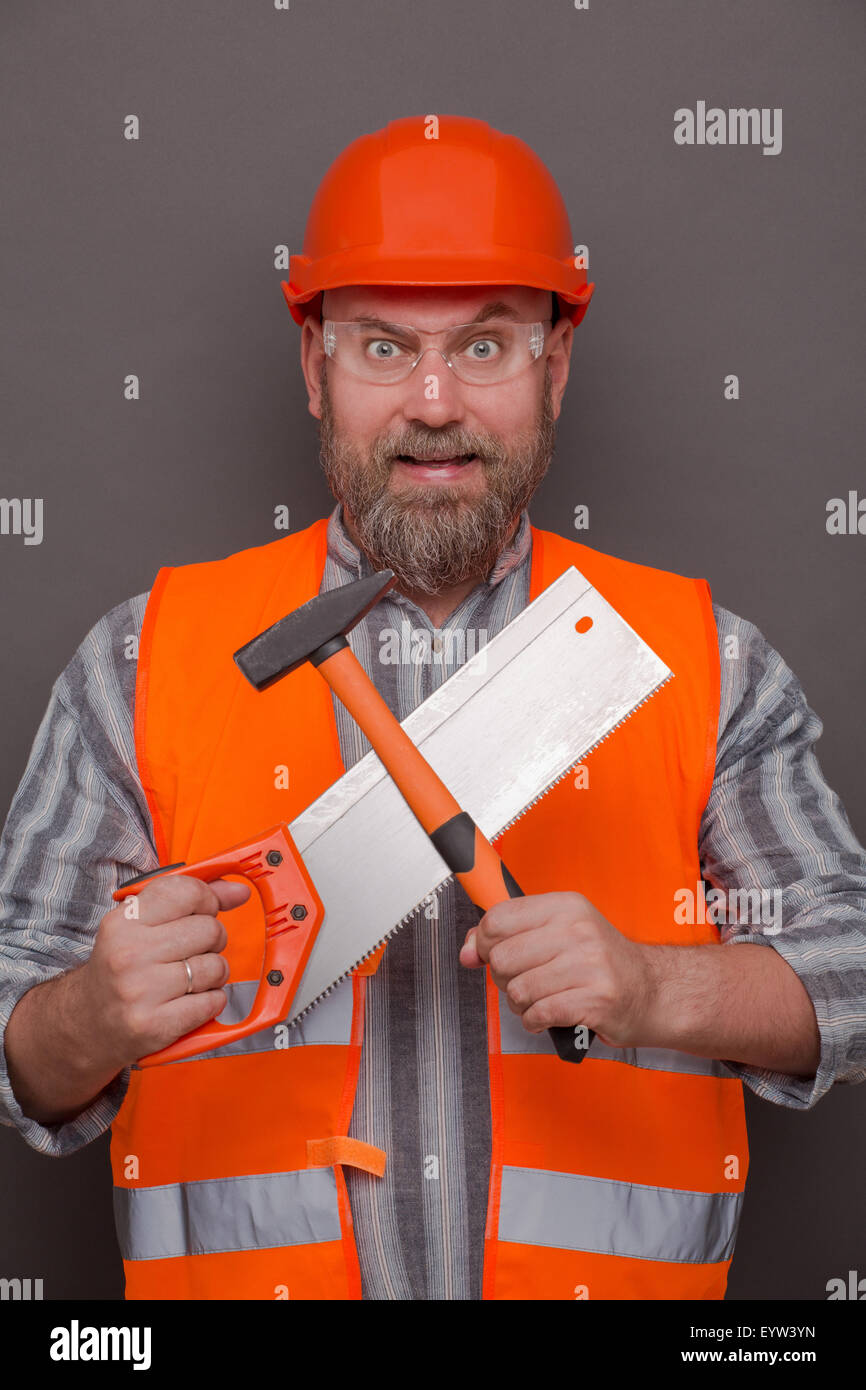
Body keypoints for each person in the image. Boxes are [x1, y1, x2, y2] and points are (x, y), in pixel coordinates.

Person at [0, 115, 864, 1302]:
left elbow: (851, 973)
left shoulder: (692, 660)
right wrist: (90, 1014)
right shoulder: (146, 659)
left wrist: (660, 986)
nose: (435, 402)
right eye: (382, 348)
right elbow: (16, 1040)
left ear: (555, 365)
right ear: (314, 366)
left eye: (487, 346)